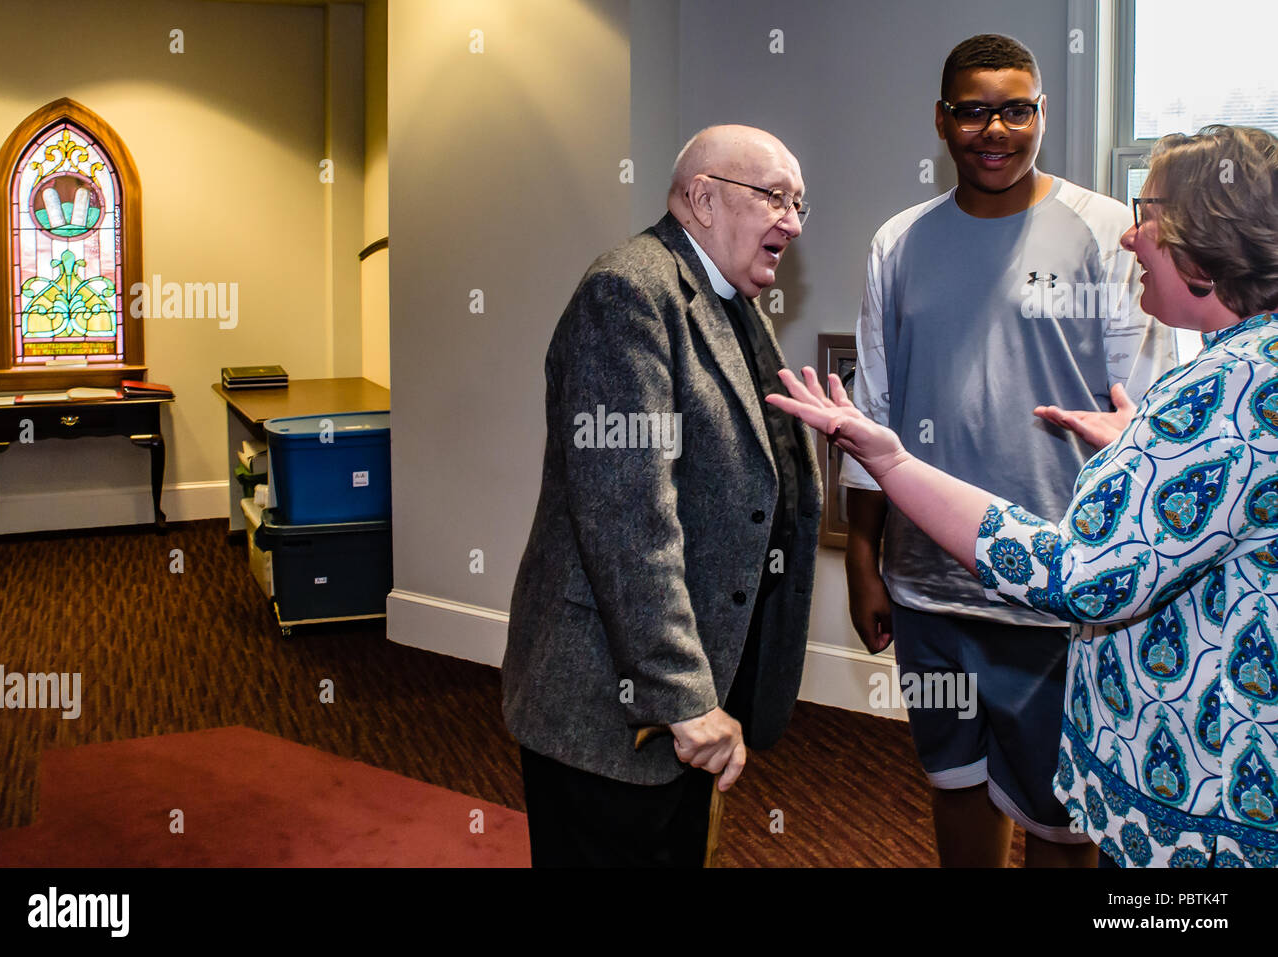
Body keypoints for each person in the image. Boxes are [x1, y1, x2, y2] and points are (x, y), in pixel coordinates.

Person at [772, 124, 1278, 867]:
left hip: (1214, 813)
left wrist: (894, 462)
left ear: (1205, 244)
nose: (1131, 239)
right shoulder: (1249, 364)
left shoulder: (1229, 388)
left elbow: (1077, 576)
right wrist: (1146, 450)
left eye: (1150, 215)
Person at [840, 33, 1179, 867]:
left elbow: (1140, 417)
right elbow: (873, 411)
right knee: (955, 784)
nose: (996, 130)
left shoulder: (1107, 233)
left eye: (1016, 109)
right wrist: (862, 558)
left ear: (1041, 113)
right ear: (942, 120)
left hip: (1057, 591)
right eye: (975, 111)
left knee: (1062, 818)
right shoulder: (898, 242)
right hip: (930, 591)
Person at [503, 125, 822, 867]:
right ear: (701, 197)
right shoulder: (628, 294)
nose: (794, 223)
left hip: (685, 703)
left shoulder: (730, 300)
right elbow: (626, 519)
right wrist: (683, 694)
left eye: (800, 203)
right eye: (775, 197)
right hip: (607, 707)